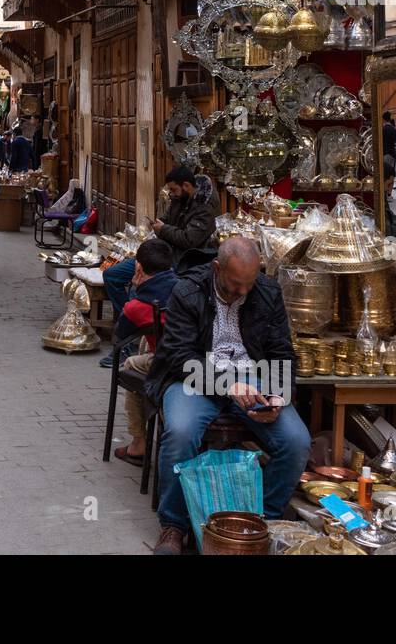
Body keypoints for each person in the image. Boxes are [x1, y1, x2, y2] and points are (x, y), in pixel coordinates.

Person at [145, 236, 309, 555]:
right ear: (217, 268)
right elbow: (177, 356)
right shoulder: (188, 291)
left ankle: (262, 520)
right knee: (180, 432)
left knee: (296, 441)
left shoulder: (266, 291)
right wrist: (228, 385)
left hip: (252, 378)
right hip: (195, 374)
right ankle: (173, 526)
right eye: (236, 284)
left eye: (249, 283)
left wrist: (278, 393)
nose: (243, 292)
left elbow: (282, 352)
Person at [99, 167, 217, 368]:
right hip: (160, 253)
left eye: (174, 190)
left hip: (180, 261)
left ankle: (126, 341)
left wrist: (164, 229)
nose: (171, 194)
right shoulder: (178, 201)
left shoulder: (205, 209)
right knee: (112, 275)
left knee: (139, 289)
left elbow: (189, 239)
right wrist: (161, 227)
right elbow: (169, 224)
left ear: (187, 186)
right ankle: (130, 325)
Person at [111, 240, 178, 466]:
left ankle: (138, 440)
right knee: (143, 348)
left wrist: (136, 293)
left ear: (138, 268)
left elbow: (120, 334)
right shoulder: (183, 288)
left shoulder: (137, 306)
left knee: (130, 365)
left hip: (169, 361)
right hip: (192, 357)